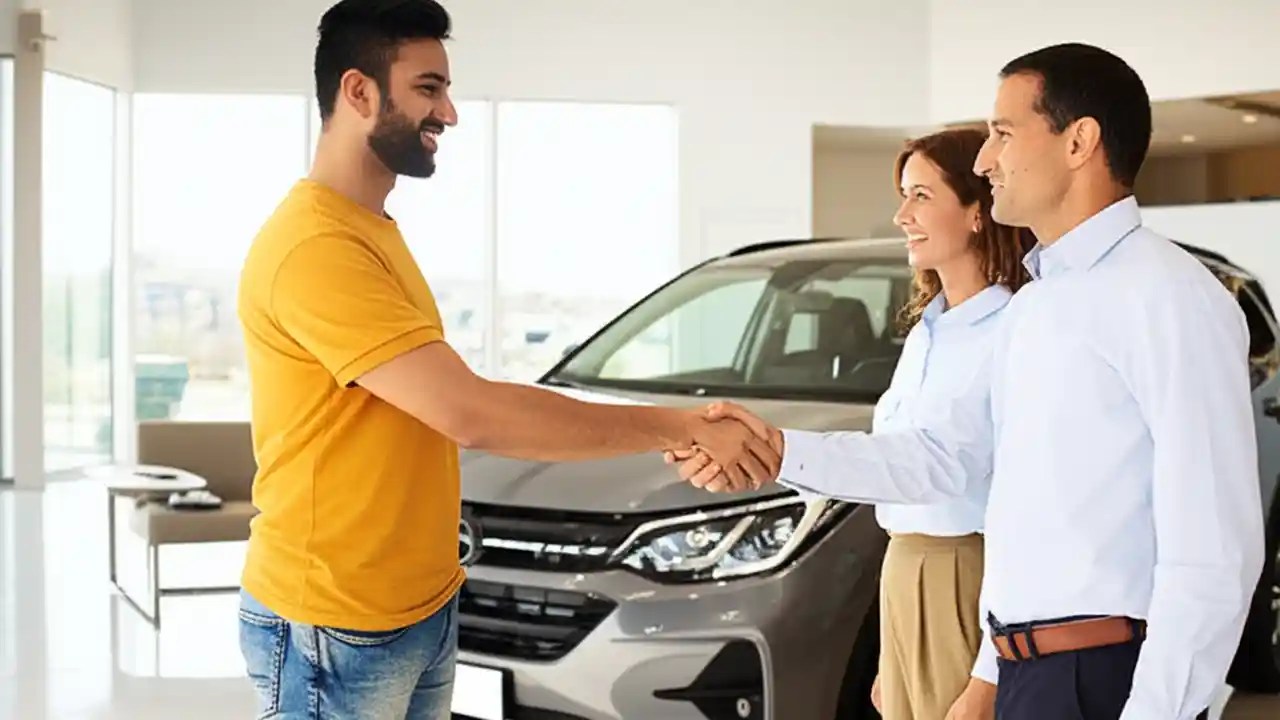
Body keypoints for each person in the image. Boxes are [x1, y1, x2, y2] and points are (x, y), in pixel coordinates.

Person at [674, 43, 1264, 720]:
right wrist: (778, 451)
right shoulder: (1037, 305)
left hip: (1108, 678)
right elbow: (954, 463)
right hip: (1027, 671)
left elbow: (1213, 551)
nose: (986, 161)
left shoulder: (1169, 297)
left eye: (1003, 134)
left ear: (1079, 141)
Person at [234, 2, 777, 718]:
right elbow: (471, 413)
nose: (449, 113)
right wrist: (680, 428)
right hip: (335, 622)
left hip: (416, 605)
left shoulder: (370, 232)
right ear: (360, 92)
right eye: (429, 88)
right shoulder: (317, 248)